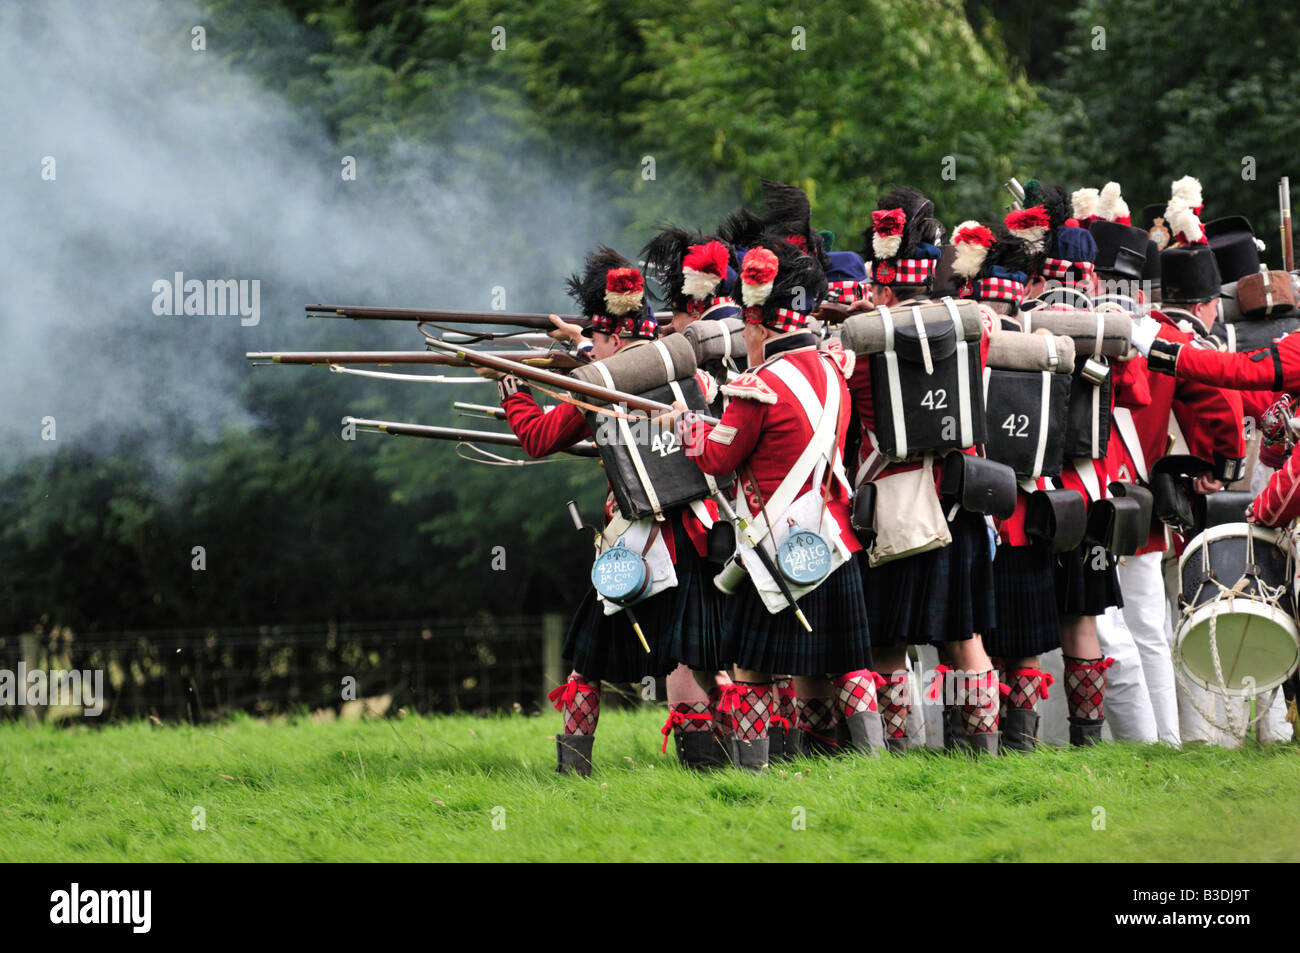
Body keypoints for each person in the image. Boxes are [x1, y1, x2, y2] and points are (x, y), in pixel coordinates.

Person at [485, 246, 729, 775]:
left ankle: (574, 770)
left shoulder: (599, 387)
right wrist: (576, 344)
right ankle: (716, 766)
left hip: (634, 541)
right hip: (696, 536)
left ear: (614, 338)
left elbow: (535, 438)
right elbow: (621, 360)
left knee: (586, 664)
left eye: (595, 339)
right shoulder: (685, 364)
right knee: (700, 659)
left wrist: (512, 388)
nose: (590, 349)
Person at [674, 236, 880, 770]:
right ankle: (877, 765)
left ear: (761, 324)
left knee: (753, 669)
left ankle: (753, 772)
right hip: (832, 536)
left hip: (773, 546)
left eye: (749, 328)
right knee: (851, 663)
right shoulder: (837, 370)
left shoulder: (755, 387)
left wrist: (688, 426)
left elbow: (718, 458)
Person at [849, 185, 1003, 754]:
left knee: (887, 643)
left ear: (885, 280)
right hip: (960, 500)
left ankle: (903, 754)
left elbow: (855, 416)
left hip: (895, 505)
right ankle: (978, 752)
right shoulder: (973, 329)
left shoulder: (865, 347)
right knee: (964, 639)